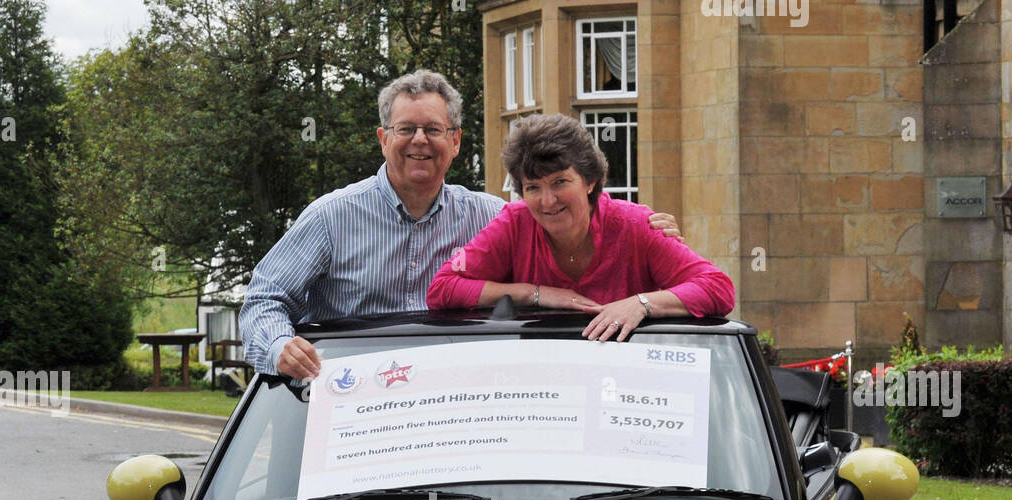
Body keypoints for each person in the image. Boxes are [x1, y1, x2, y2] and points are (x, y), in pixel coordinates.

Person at [240, 72, 684, 379]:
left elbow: (570, 213)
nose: (419, 141)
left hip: (459, 418)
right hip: (345, 408)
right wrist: (280, 346)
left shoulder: (493, 217)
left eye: (434, 129)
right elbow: (264, 298)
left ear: (455, 141)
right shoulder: (329, 217)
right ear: (383, 139)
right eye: (405, 129)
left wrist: (645, 226)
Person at [427, 114, 735, 341]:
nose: (547, 201)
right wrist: (535, 294)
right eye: (533, 187)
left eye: (560, 182)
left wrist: (640, 304)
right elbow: (442, 290)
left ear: (589, 181)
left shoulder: (635, 225)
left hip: (626, 381)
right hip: (540, 385)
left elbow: (718, 289)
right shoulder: (513, 223)